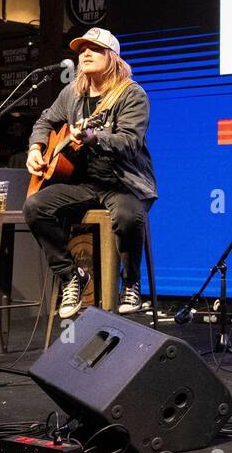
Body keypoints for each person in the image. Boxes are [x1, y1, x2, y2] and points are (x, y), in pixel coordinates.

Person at [23, 28, 157, 319]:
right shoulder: (72, 93)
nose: (84, 53)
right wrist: (36, 149)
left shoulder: (131, 95)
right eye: (81, 49)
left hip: (122, 183)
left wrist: (95, 138)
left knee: (127, 216)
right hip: (83, 183)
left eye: (94, 48)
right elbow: (45, 121)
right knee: (35, 206)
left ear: (112, 57)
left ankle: (131, 283)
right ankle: (71, 275)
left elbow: (130, 143)